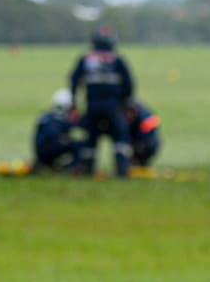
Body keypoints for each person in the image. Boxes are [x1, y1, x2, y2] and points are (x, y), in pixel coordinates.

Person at [69, 26, 135, 179]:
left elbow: (73, 81)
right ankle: (122, 172)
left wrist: (73, 104)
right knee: (120, 139)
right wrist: (128, 105)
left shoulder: (85, 59)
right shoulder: (117, 60)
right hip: (113, 108)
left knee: (90, 138)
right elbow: (129, 84)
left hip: (92, 107)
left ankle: (86, 171)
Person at [32, 87, 89, 174]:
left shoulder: (45, 115)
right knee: (79, 145)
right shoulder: (64, 118)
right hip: (52, 149)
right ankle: (75, 167)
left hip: (39, 152)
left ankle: (46, 164)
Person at [124, 98, 162, 169]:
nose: (128, 115)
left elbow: (149, 140)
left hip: (146, 142)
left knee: (146, 146)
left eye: (130, 113)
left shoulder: (145, 119)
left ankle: (139, 163)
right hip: (134, 137)